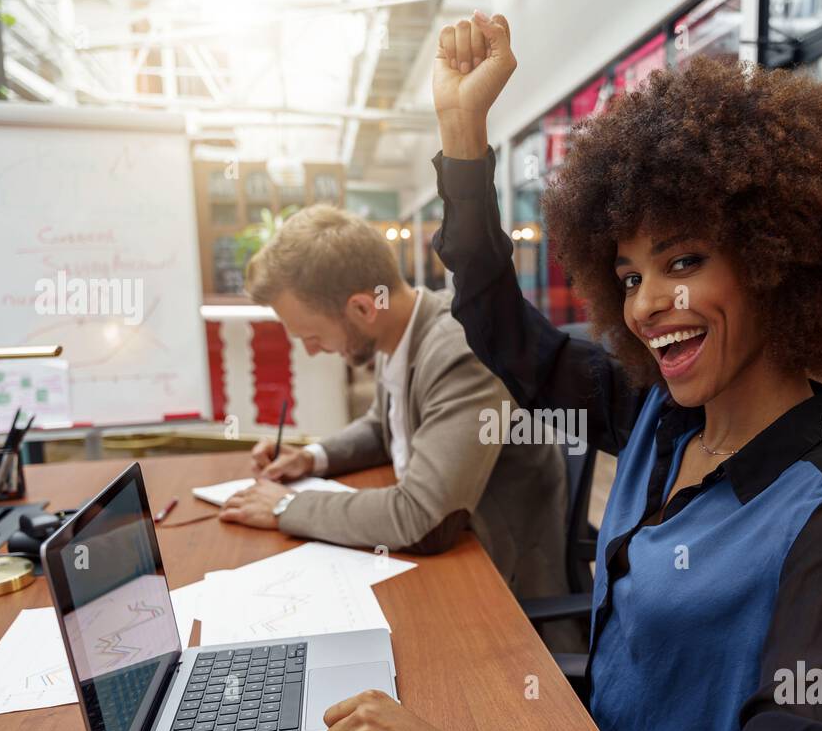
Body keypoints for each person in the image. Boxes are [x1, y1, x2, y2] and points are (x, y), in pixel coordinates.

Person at [318, 12, 822, 731]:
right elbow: (499, 330)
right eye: (631, 275)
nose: (642, 305)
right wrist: (462, 130)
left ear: (779, 262)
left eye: (682, 263)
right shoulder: (660, 422)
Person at [224, 204, 576, 647]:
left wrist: (284, 509)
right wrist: (312, 458)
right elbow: (382, 426)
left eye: (310, 336)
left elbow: (420, 518)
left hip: (496, 586)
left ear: (362, 307)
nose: (312, 351)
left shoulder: (460, 350)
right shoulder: (400, 333)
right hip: (448, 560)